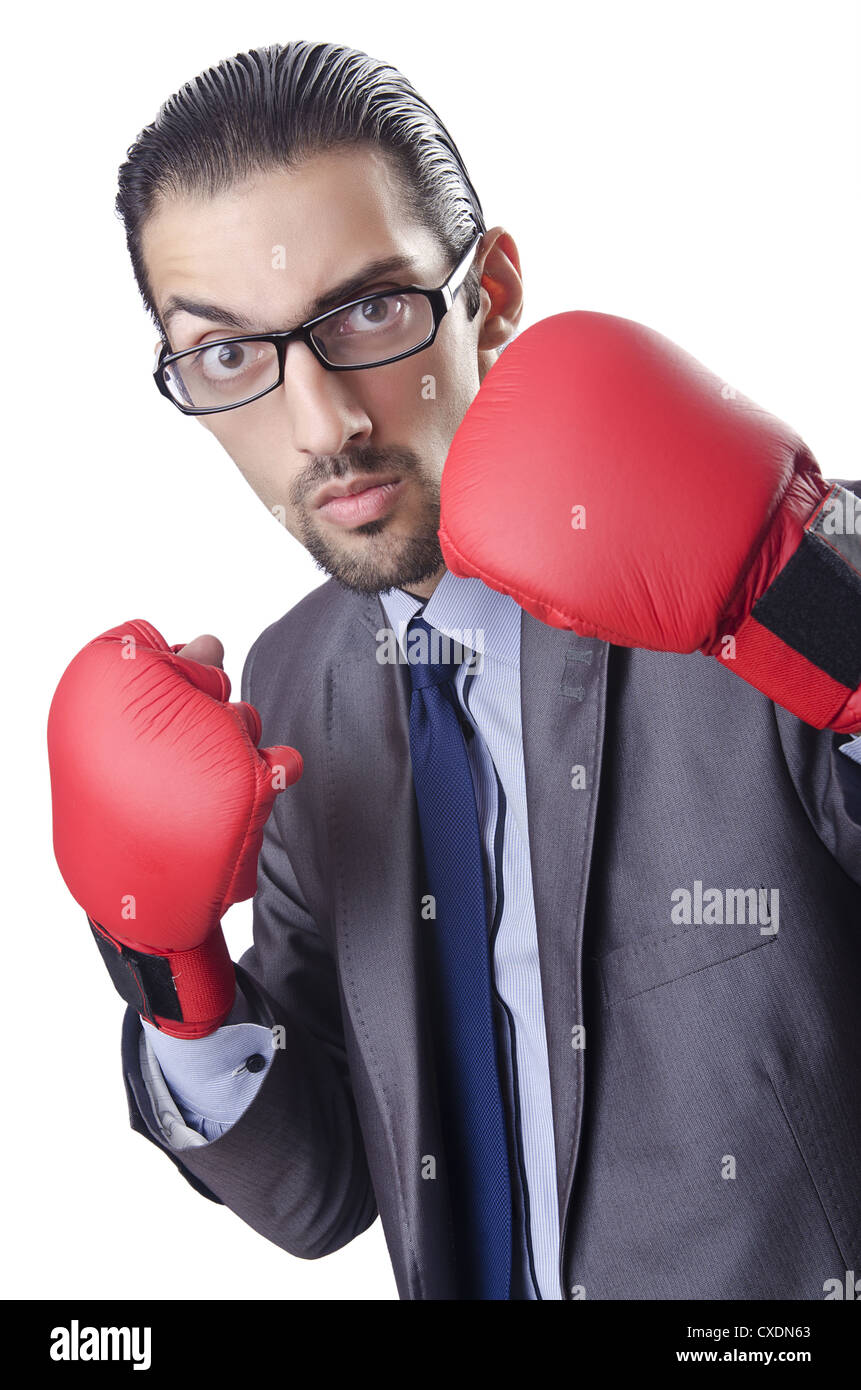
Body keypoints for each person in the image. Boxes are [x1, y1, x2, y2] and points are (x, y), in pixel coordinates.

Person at [48, 39, 861, 1301]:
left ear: (491, 293)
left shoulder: (770, 560)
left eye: (369, 309)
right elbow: (324, 1192)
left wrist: (816, 617)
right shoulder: (295, 679)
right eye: (228, 355)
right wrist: (169, 972)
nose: (323, 424)